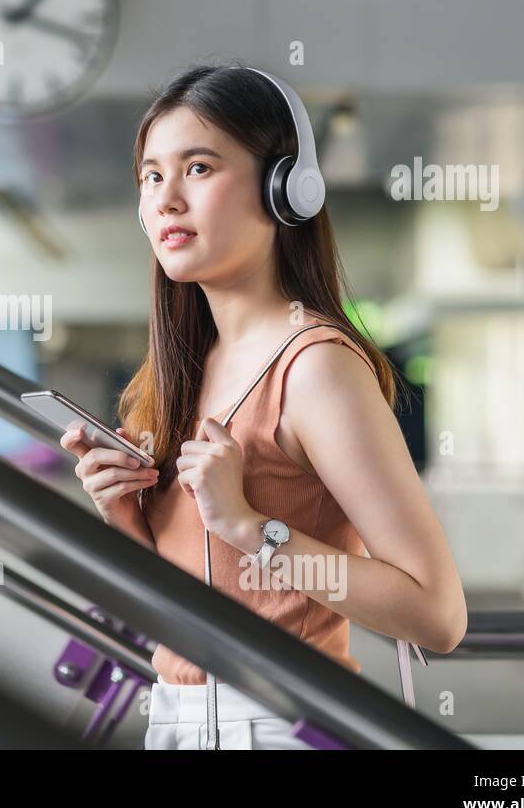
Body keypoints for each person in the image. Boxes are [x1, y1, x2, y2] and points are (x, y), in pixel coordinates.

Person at [60, 62, 467, 750]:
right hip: (178, 721)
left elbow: (436, 613)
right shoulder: (177, 374)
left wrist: (251, 529)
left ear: (286, 190)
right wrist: (122, 514)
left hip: (279, 725)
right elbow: (177, 615)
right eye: (152, 177)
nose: (165, 200)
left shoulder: (316, 369)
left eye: (199, 168)